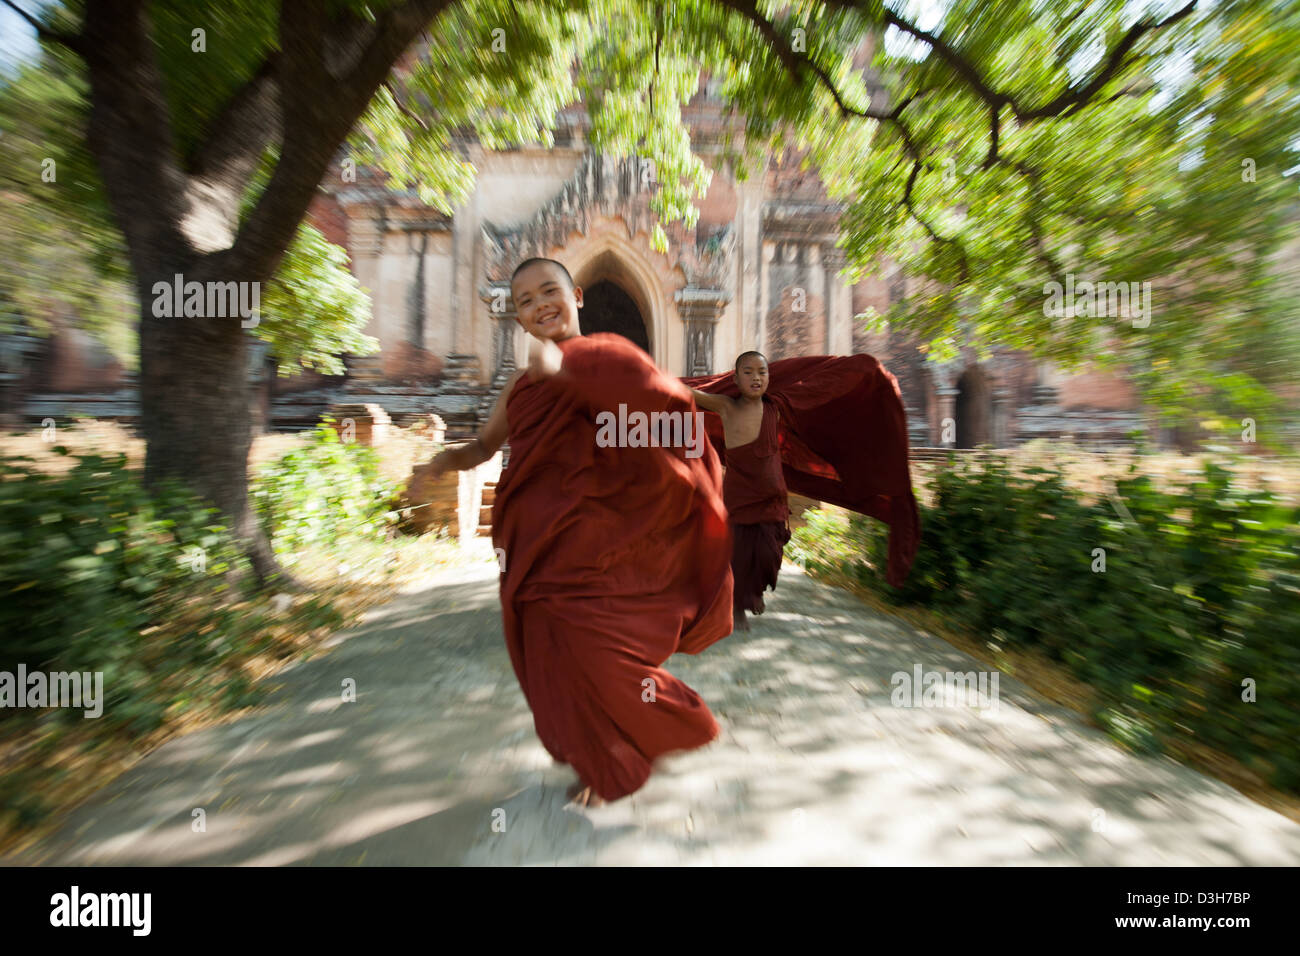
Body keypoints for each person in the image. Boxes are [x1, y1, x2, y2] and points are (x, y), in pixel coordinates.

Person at [425, 258, 733, 808]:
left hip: (598, 543)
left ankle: (678, 718)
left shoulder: (609, 355)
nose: (540, 304)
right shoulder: (519, 386)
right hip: (538, 547)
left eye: (550, 291)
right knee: (552, 657)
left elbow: (665, 410)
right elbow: (484, 446)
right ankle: (607, 760)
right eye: (525, 300)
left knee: (597, 651)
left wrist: (572, 372)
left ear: (578, 296)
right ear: (516, 315)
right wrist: (441, 463)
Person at [690, 351, 789, 631]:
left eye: (762, 372)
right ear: (734, 379)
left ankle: (753, 592)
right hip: (740, 496)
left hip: (772, 498)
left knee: (769, 553)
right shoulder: (727, 407)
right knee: (740, 555)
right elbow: (691, 394)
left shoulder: (776, 407)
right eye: (748, 372)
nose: (756, 378)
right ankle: (739, 606)